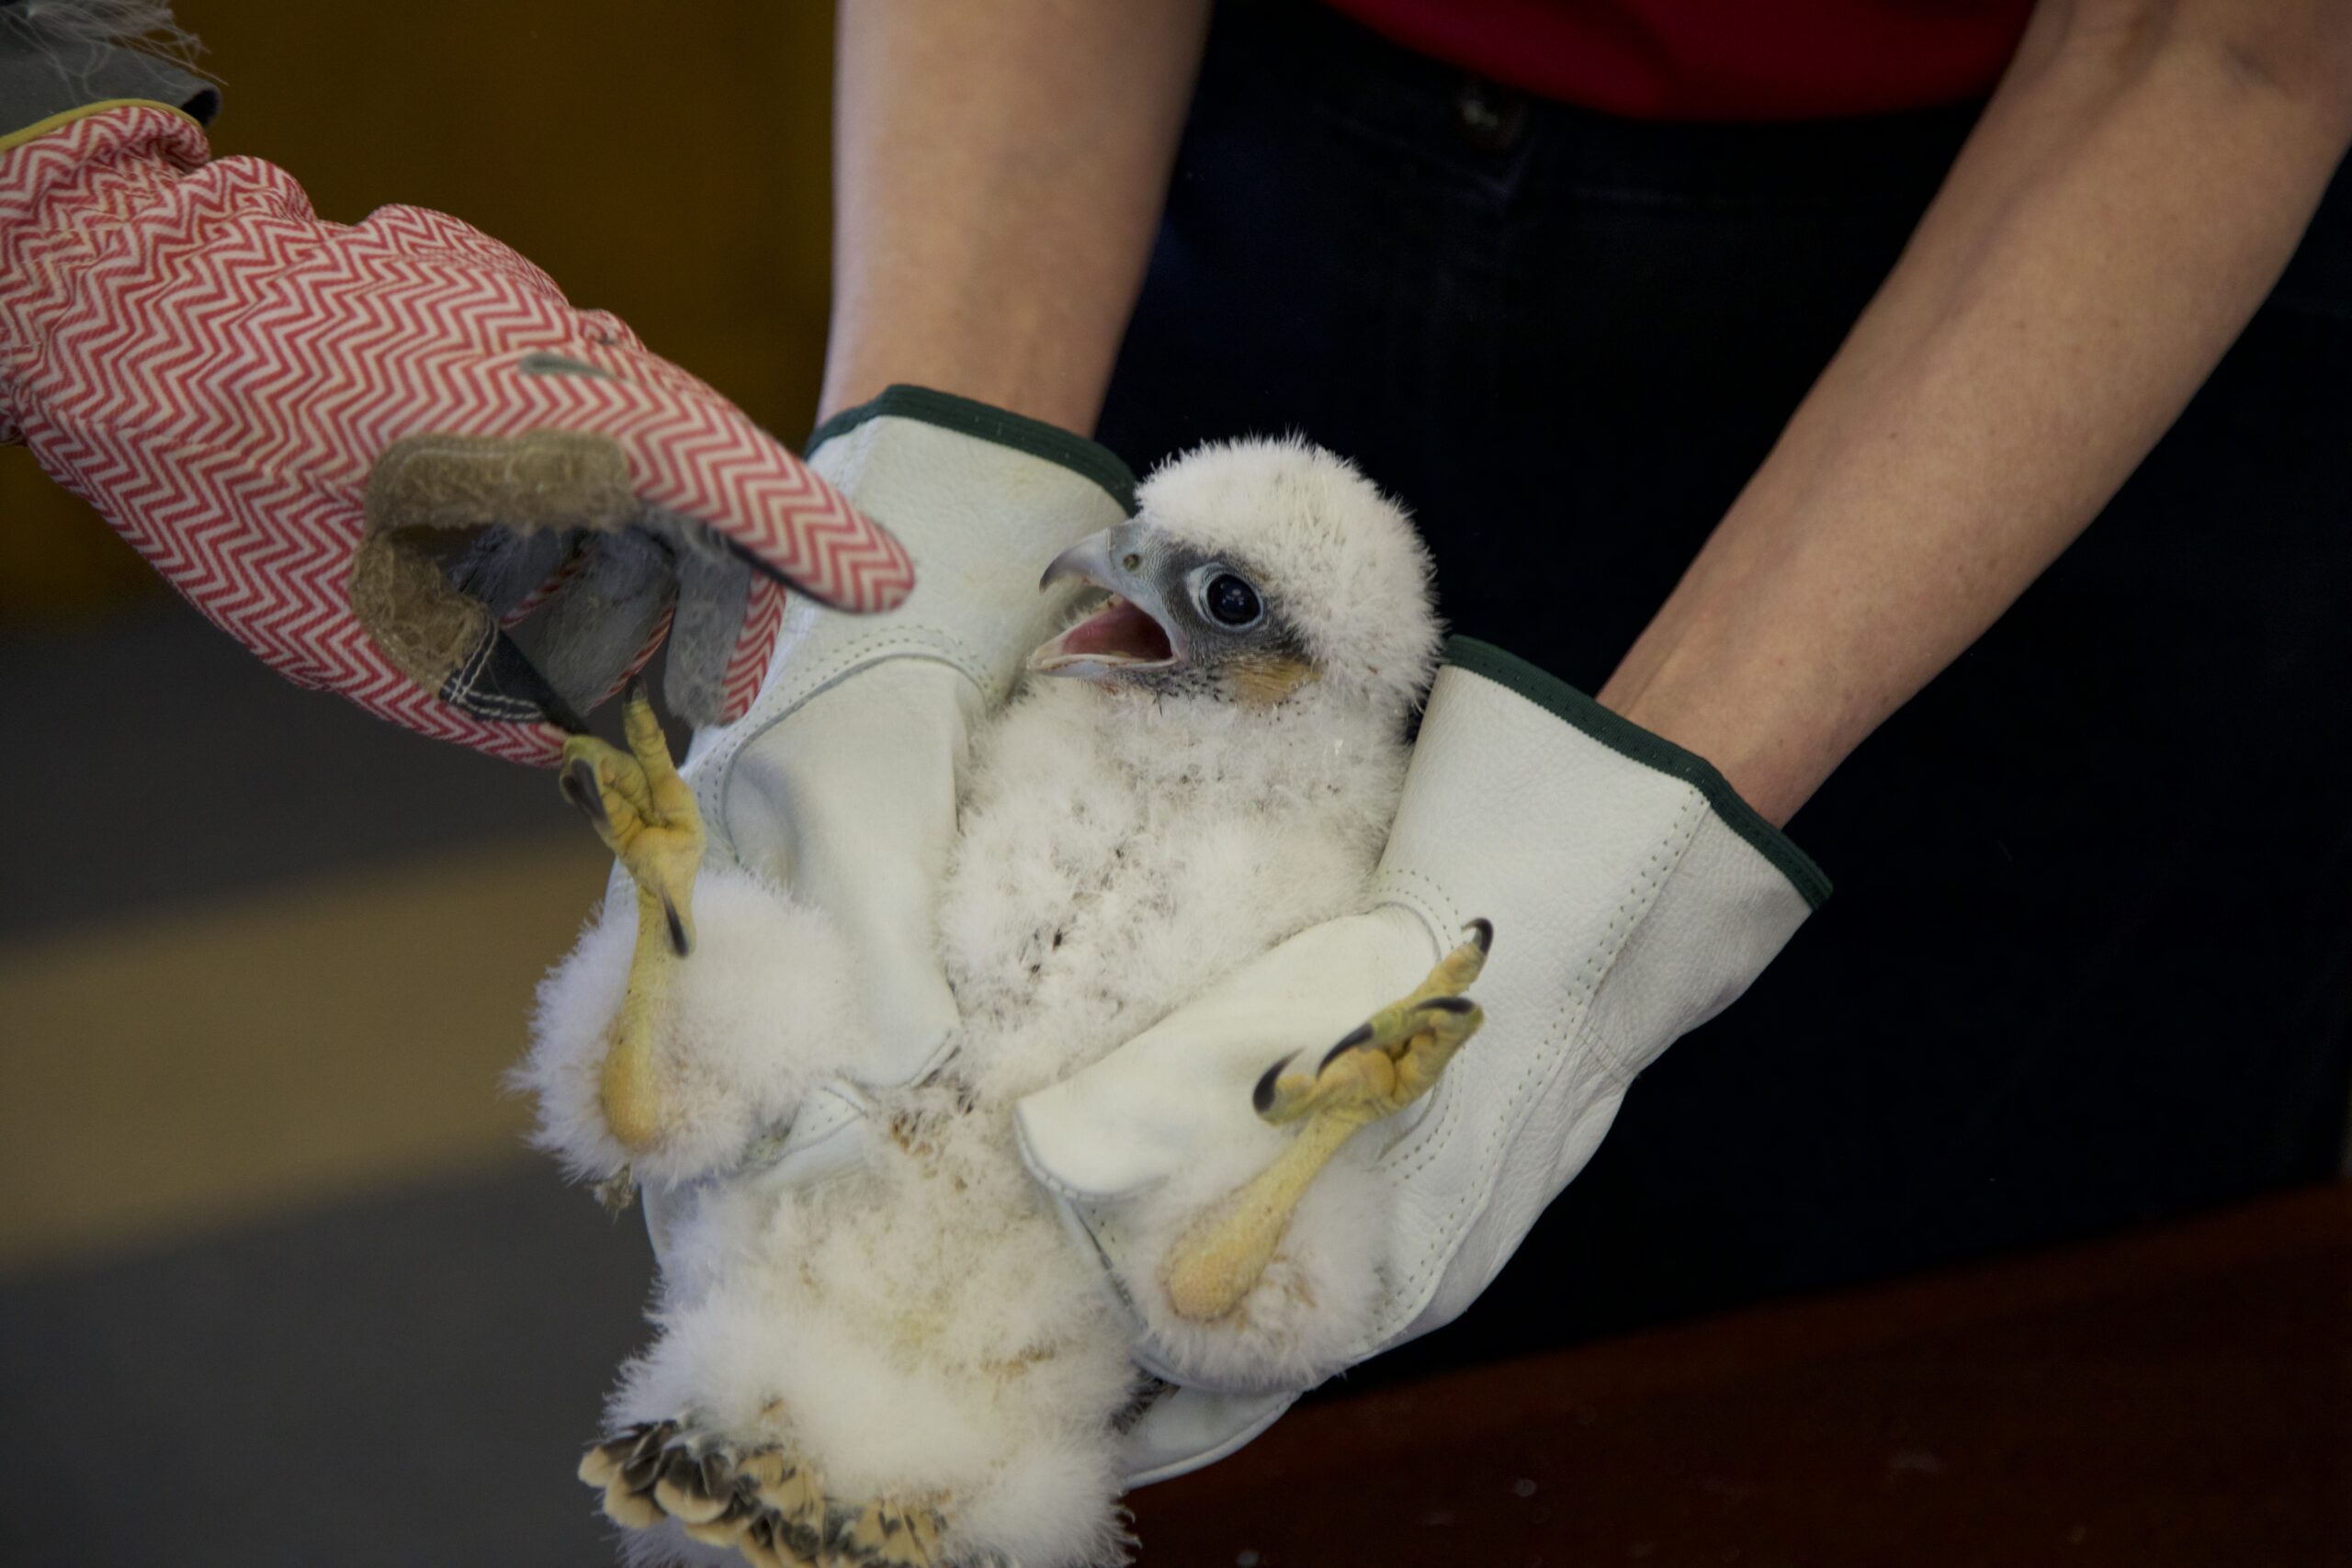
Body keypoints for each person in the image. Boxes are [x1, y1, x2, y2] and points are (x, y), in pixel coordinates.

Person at [7, 0, 2349, 1484]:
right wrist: (920, 514)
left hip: (2066, 352)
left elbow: (2226, 38)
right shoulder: (1145, 565)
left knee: (1941, 1415)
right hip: (1247, 160)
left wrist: (1621, 869)